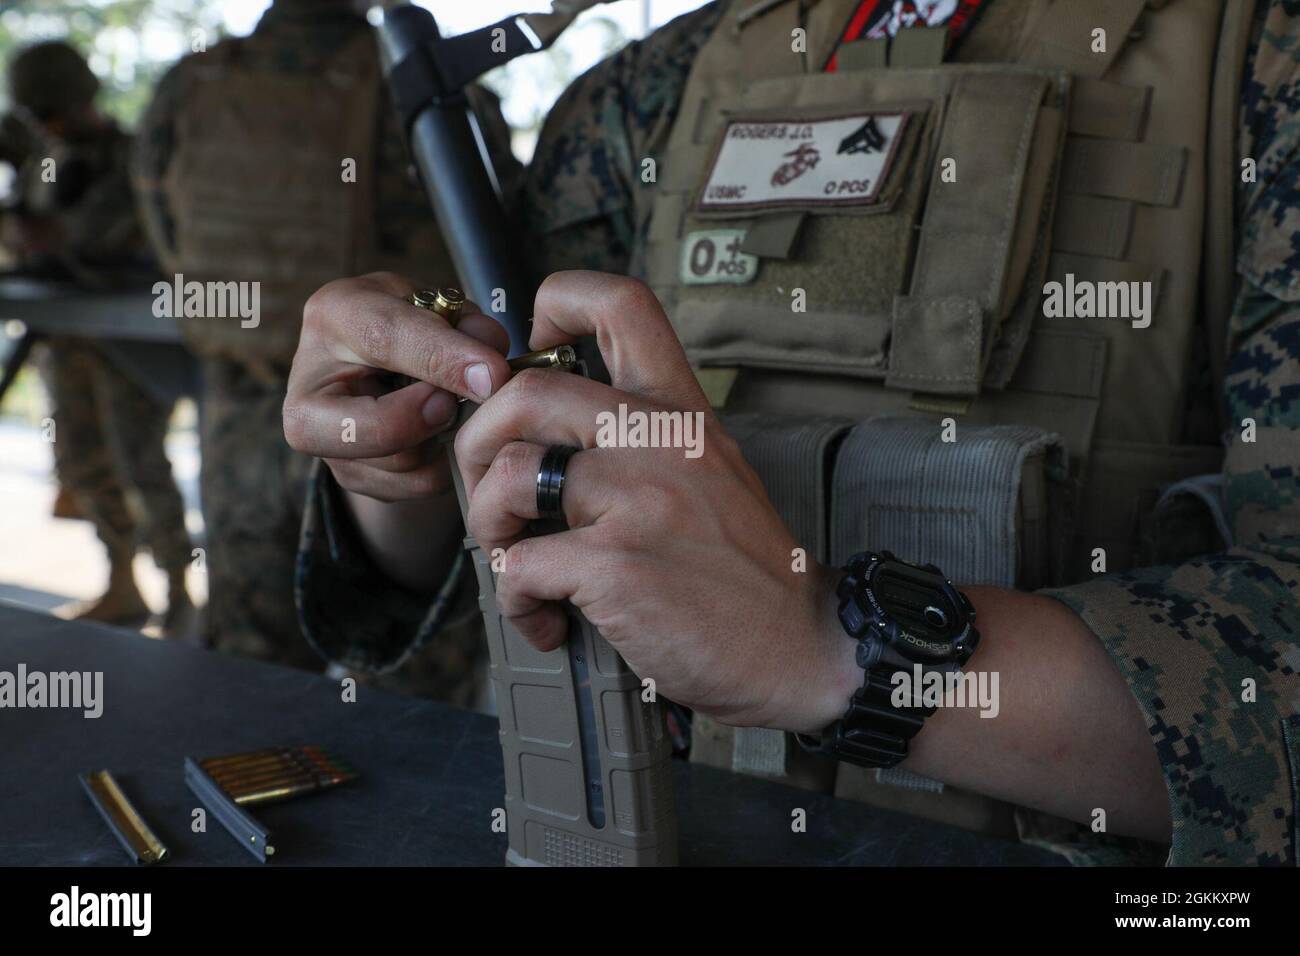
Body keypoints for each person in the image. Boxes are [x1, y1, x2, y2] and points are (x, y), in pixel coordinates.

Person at [285, 0, 1300, 865]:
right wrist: (400, 471)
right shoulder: (642, 95)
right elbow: (518, 539)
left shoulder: (1257, 56)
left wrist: (831, 645)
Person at [132, 0, 517, 695]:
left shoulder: (192, 86)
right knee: (420, 686)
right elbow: (498, 254)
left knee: (248, 673)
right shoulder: (432, 85)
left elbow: (163, 230)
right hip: (408, 425)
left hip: (242, 414)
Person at [2, 40, 192, 630]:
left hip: (128, 343)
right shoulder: (46, 159)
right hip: (68, 339)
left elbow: (86, 239)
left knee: (141, 465)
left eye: (54, 110)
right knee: (83, 464)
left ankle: (181, 595)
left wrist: (37, 230)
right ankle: (122, 583)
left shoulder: (132, 156)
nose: (50, 123)